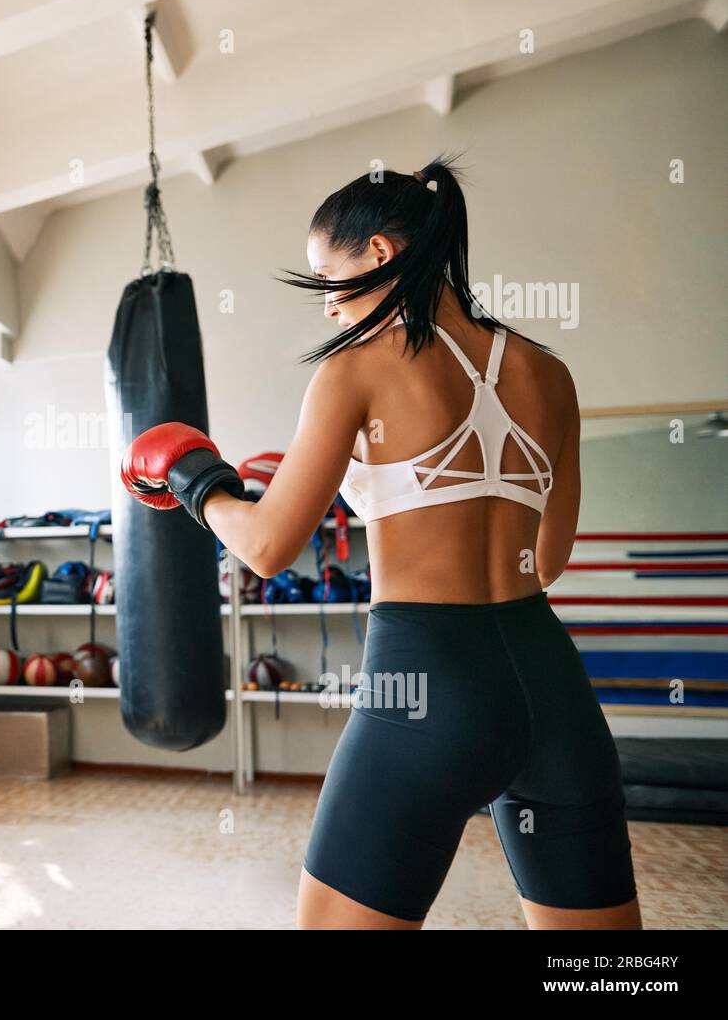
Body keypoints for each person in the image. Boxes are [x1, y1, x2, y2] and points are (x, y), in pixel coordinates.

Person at [120, 157, 642, 930]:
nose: (329, 308)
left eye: (328, 279)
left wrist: (201, 483)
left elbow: (266, 546)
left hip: (428, 686)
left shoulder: (354, 371)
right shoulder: (549, 373)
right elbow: (549, 557)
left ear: (380, 255)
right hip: (553, 689)